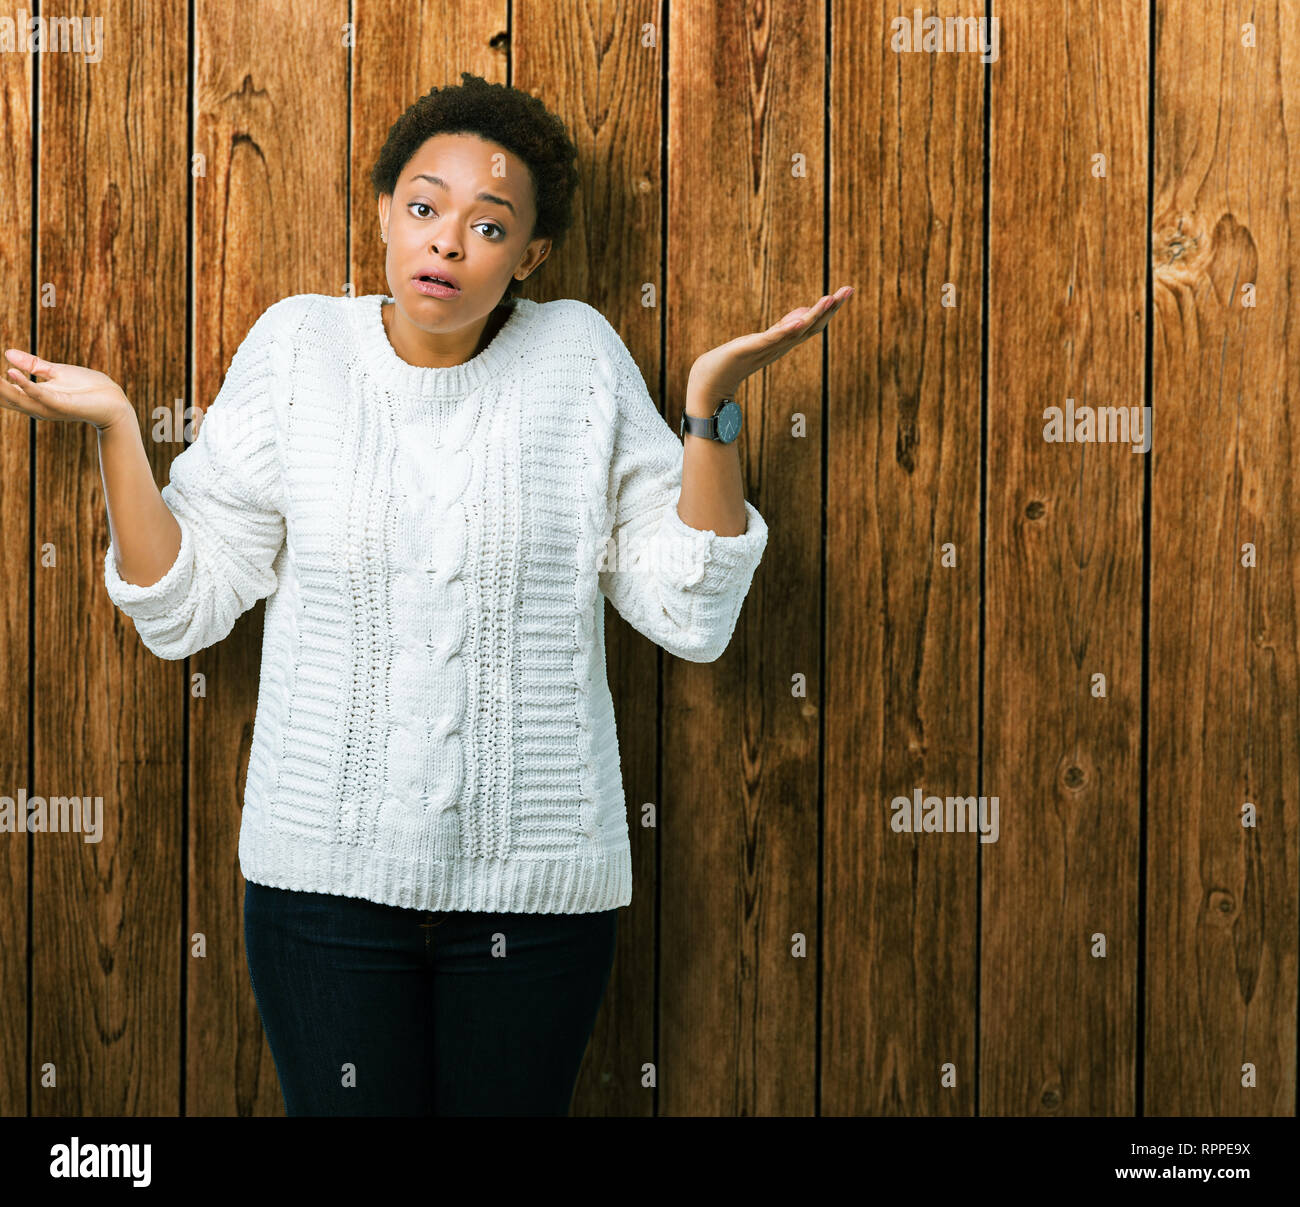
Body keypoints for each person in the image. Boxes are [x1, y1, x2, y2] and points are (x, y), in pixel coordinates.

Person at [0, 72, 852, 1116]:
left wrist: (709, 414)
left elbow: (690, 609)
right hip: (321, 893)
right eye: (423, 205)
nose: (446, 241)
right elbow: (183, 605)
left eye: (487, 224)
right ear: (383, 215)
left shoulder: (579, 357)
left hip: (536, 903)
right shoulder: (298, 347)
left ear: (529, 256)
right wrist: (119, 428)